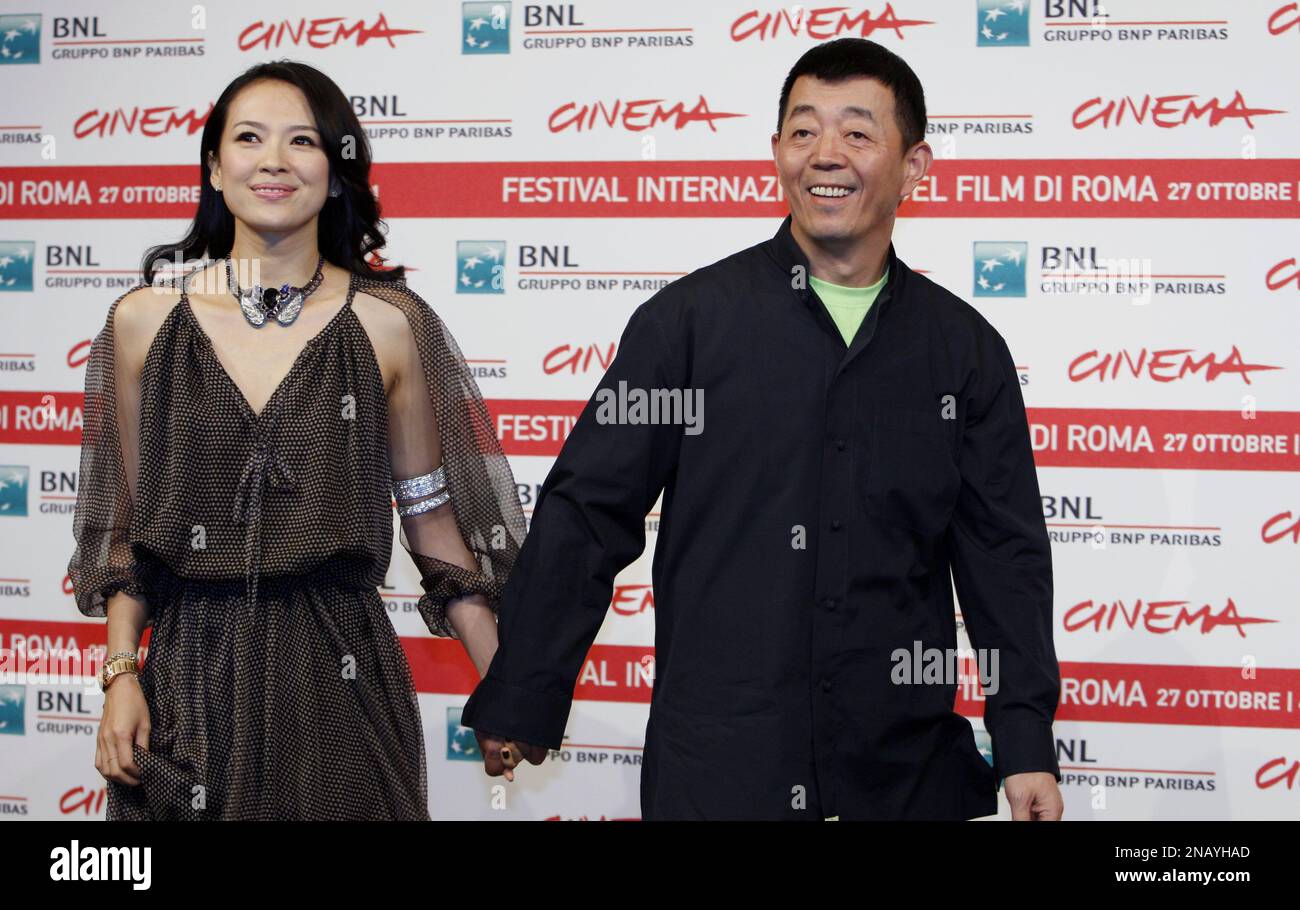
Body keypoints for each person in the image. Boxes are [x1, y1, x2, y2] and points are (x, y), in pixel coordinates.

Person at [462, 38, 1064, 820]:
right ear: (775, 151)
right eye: (803, 130)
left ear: (915, 167)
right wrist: (523, 689)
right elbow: (588, 511)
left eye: (857, 132)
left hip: (902, 773)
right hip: (721, 769)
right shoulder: (688, 325)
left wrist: (1023, 741)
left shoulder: (964, 352)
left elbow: (1003, 560)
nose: (825, 155)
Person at [68, 60, 525, 820]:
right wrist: (121, 674)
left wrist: (505, 685)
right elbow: (125, 534)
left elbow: (433, 525)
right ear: (215, 167)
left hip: (340, 682)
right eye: (248, 138)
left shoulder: (390, 325)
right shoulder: (142, 323)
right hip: (188, 682)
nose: (274, 159)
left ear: (337, 169)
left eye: (302, 140)